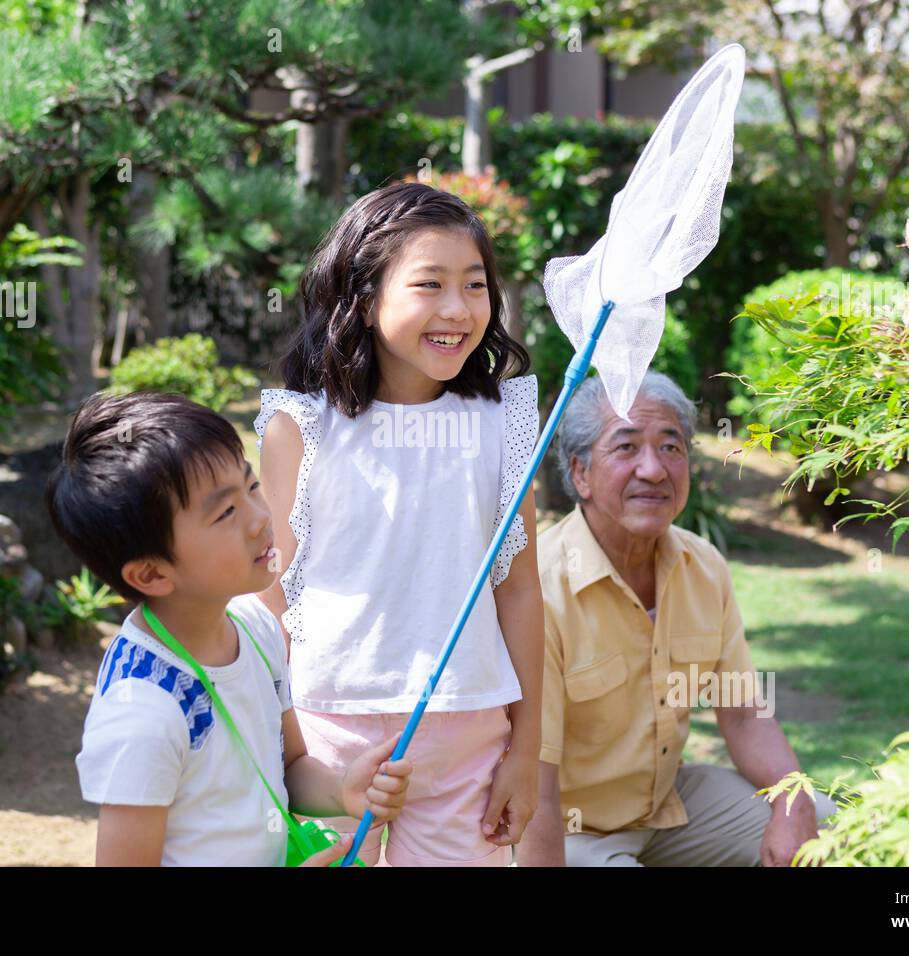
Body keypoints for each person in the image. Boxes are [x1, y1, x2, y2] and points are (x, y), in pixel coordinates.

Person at [255, 180, 544, 866]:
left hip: (469, 737)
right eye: (430, 284)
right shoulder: (299, 428)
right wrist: (272, 741)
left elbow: (522, 591)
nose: (458, 309)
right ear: (362, 298)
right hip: (326, 735)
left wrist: (526, 751)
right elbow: (268, 596)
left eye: (476, 286)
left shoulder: (502, 426)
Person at [46, 390, 412, 866]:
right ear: (152, 574)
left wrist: (344, 789)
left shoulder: (254, 626)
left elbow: (289, 768)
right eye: (225, 513)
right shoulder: (142, 716)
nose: (261, 519)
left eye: (252, 485)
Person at [519, 372, 835, 867]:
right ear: (579, 472)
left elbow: (744, 712)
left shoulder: (703, 566)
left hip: (670, 806)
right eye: (626, 448)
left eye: (671, 447)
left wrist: (792, 804)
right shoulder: (540, 587)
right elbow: (532, 778)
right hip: (569, 826)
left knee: (826, 827)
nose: (653, 469)